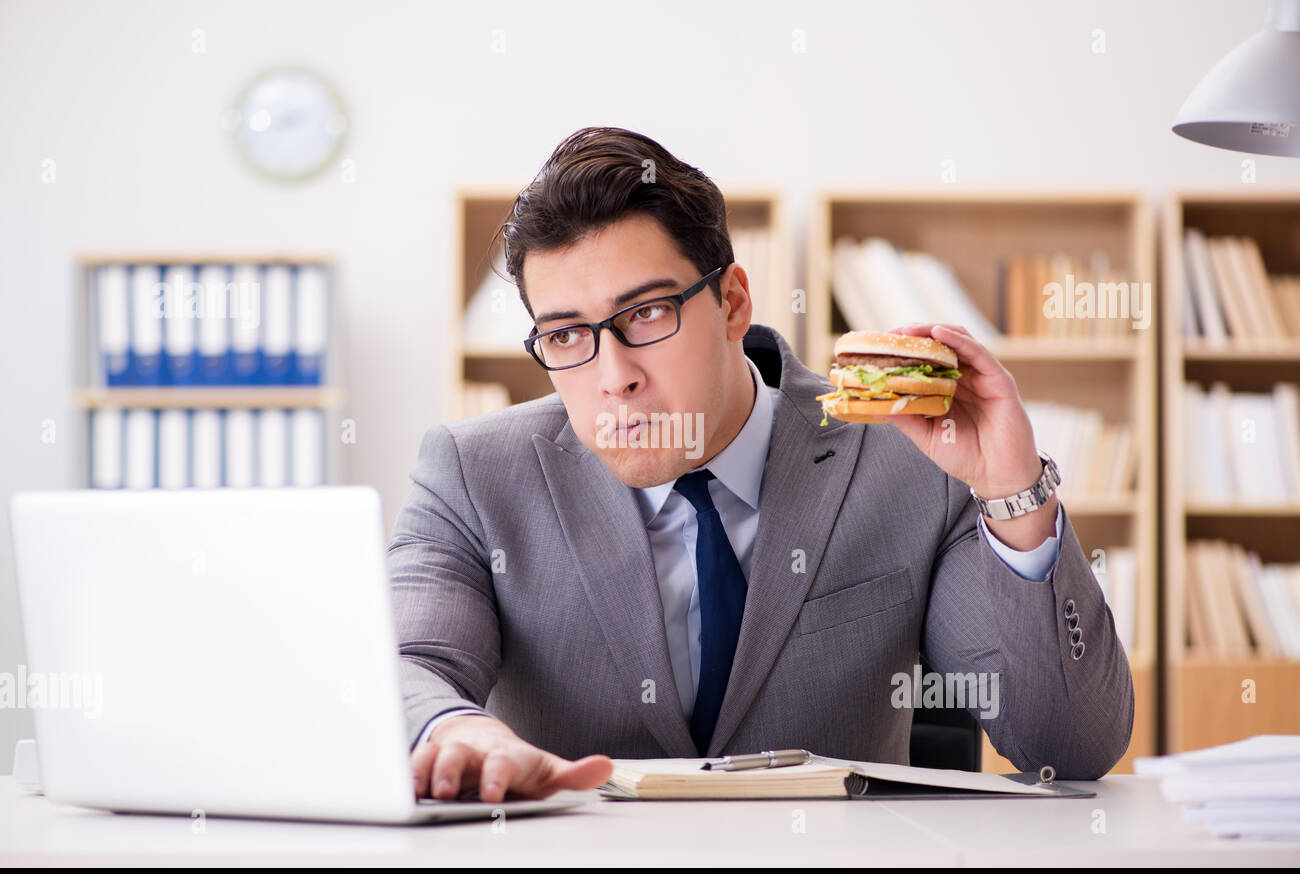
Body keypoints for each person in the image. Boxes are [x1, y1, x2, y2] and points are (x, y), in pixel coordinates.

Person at [392, 127, 1134, 804]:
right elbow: (401, 665)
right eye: (565, 336)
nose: (612, 375)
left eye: (647, 313)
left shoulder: (909, 459)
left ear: (732, 303)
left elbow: (1066, 750)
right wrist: (452, 727)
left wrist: (1012, 492)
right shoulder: (472, 474)